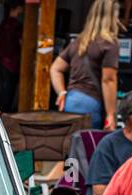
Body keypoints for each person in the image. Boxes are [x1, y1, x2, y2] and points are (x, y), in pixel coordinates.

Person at [49, 0, 121, 129]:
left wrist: (61, 93)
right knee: (89, 146)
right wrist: (111, 114)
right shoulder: (109, 43)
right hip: (91, 103)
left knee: (72, 146)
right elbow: (108, 80)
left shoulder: (78, 42)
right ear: (112, 17)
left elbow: (55, 68)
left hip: (70, 101)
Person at [0, 0, 24, 111]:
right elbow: (22, 42)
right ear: (18, 8)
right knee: (9, 92)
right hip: (12, 62)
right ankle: (7, 117)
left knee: (4, 91)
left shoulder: (3, 23)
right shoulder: (16, 25)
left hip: (3, 60)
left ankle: (1, 114)